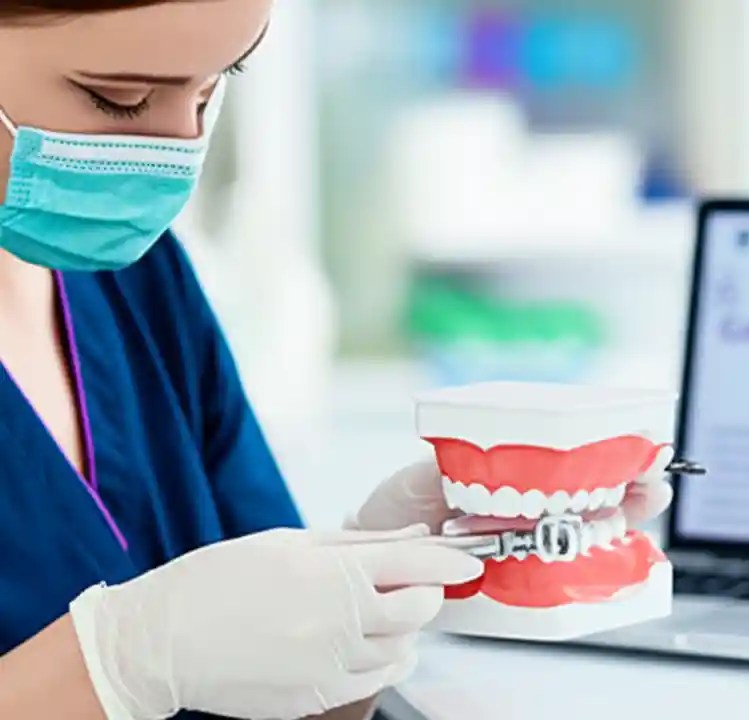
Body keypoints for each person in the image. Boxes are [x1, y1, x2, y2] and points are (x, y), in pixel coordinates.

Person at [0, 2, 674, 719]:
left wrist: (377, 589)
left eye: (210, 87)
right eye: (121, 99)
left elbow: (282, 701)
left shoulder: (136, 278)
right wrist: (120, 662)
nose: (180, 146)